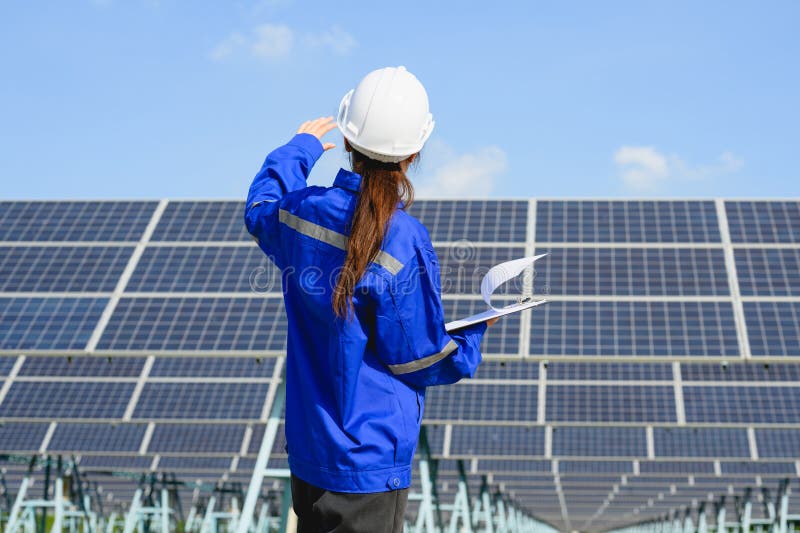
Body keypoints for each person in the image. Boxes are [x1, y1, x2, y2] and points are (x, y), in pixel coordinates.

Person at [244, 66, 493, 532]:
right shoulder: (402, 239)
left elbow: (259, 210)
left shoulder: (301, 214)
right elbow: (419, 359)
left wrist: (299, 148)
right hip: (370, 467)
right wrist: (477, 333)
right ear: (414, 152)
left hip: (309, 452)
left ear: (347, 141)